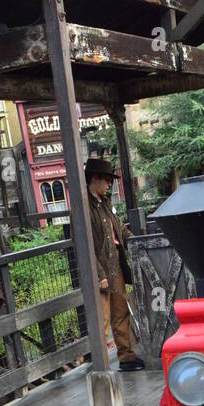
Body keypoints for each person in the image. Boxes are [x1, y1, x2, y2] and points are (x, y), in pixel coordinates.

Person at [85, 156, 144, 372]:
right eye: (107, 180)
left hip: (116, 266)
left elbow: (119, 230)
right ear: (95, 179)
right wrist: (99, 274)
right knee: (103, 319)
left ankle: (126, 357)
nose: (109, 184)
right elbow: (86, 245)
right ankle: (101, 363)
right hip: (101, 272)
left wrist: (137, 242)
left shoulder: (106, 203)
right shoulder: (84, 207)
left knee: (121, 312)